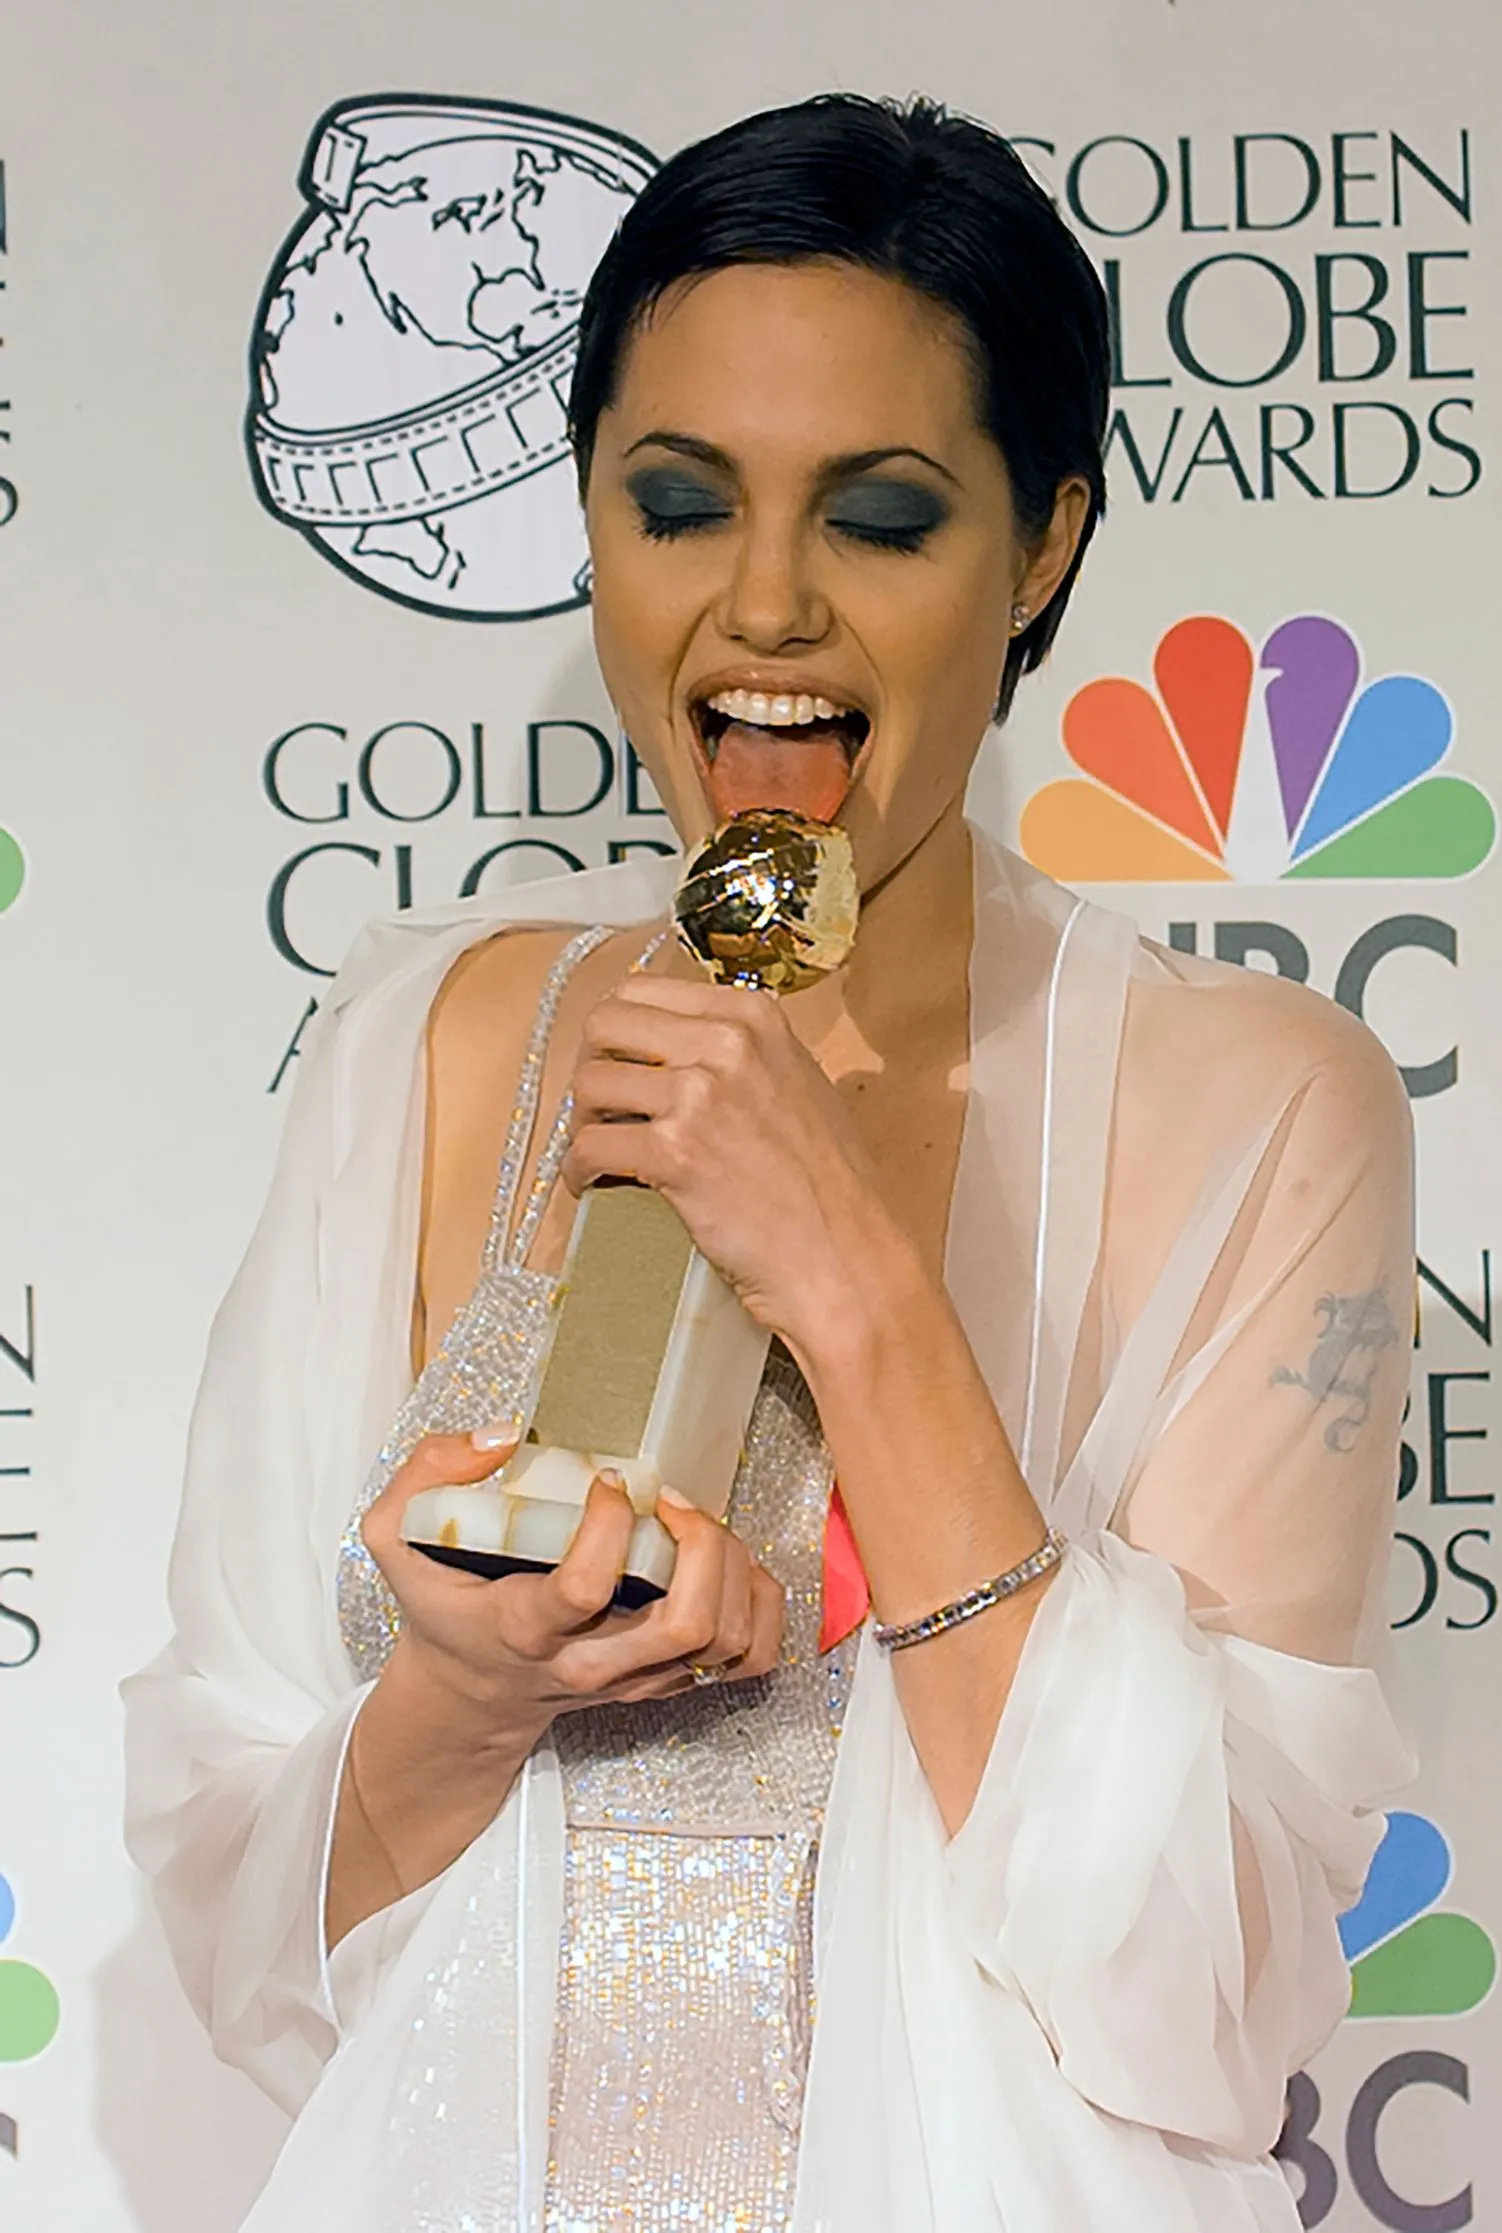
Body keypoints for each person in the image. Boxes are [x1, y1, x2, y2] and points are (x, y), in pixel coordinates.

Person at [124, 94, 1414, 2232]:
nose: (765, 608)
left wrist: (855, 1286)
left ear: (1044, 547)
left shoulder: (1264, 1101)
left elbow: (1209, 1989)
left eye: (882, 516)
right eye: (678, 499)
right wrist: (458, 1692)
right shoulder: (422, 1052)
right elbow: (245, 1951)